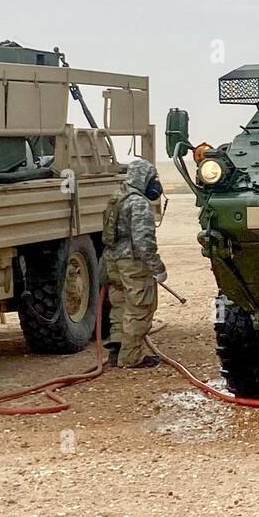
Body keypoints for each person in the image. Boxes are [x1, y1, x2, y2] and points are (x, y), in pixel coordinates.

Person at [101, 158, 167, 368]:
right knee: (139, 308)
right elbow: (143, 242)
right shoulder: (139, 203)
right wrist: (158, 268)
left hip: (113, 262)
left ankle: (117, 352)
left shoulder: (117, 197)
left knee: (119, 306)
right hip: (132, 263)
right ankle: (131, 358)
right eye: (152, 178)